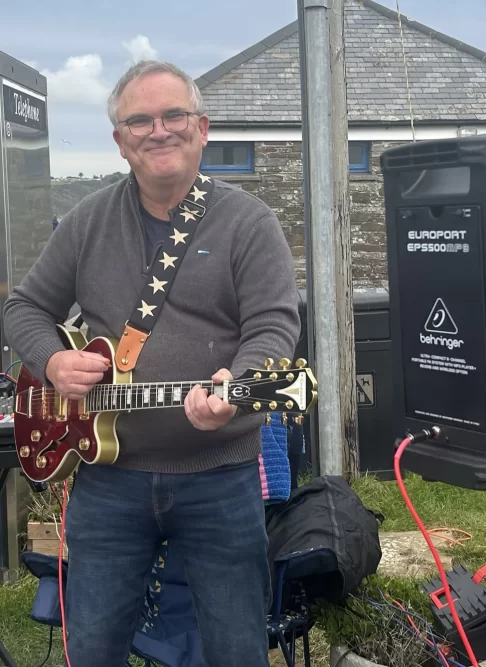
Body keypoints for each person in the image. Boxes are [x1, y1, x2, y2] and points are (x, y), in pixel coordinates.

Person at [3, 61, 299, 666]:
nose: (159, 130)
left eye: (174, 116)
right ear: (120, 140)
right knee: (93, 649)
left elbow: (274, 327)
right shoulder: (87, 222)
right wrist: (53, 362)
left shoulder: (250, 222)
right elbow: (23, 307)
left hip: (220, 476)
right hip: (109, 480)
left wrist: (239, 386)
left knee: (237, 650)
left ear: (202, 129)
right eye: (139, 121)